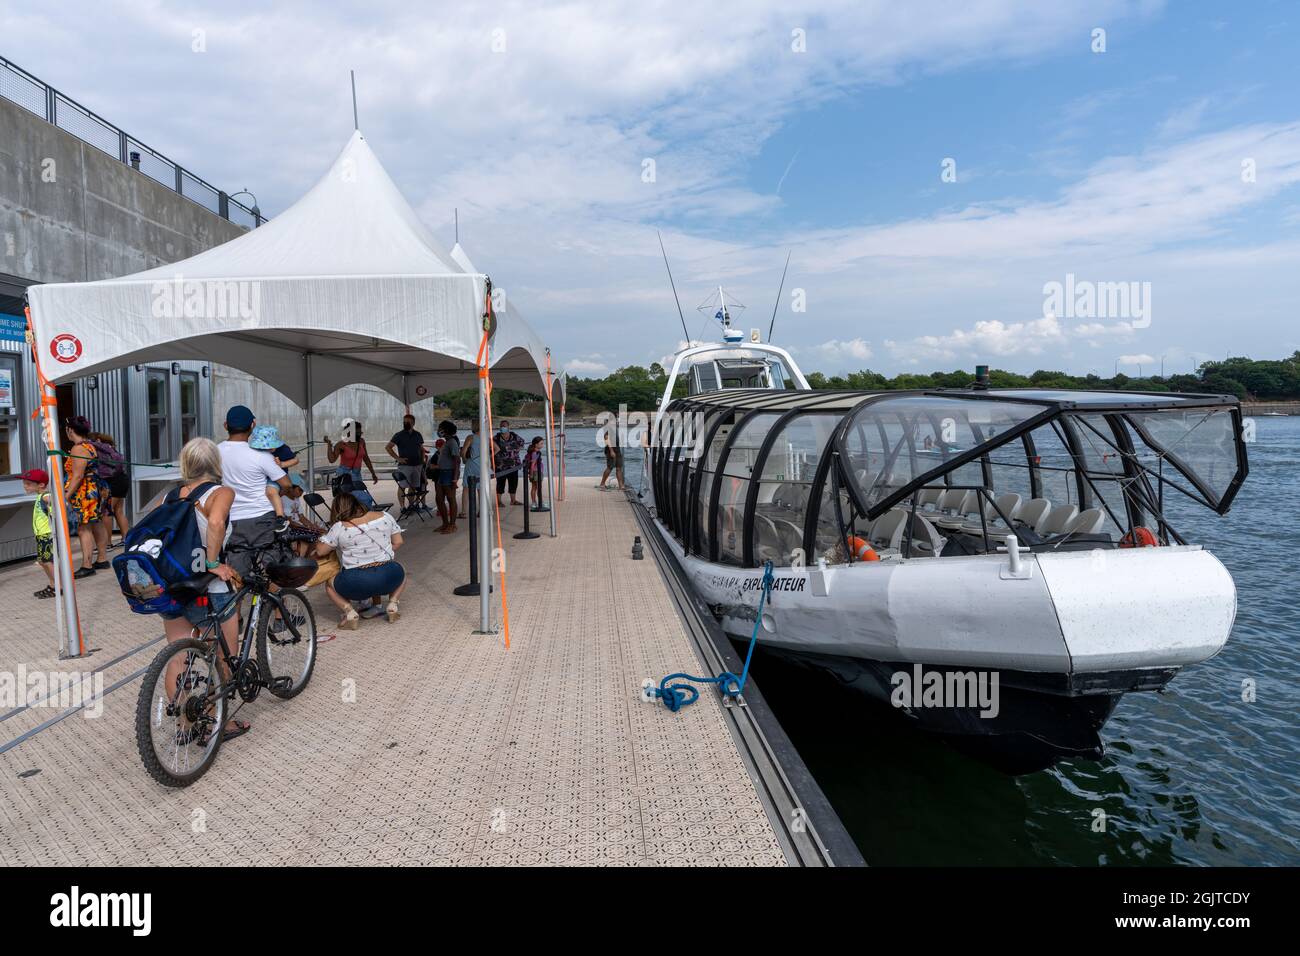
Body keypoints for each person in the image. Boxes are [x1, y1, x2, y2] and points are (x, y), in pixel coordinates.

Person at [161, 437, 248, 741]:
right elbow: (215, 522)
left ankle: (185, 724)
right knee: (224, 655)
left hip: (176, 585)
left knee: (177, 655)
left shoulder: (171, 497)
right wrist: (213, 563)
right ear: (215, 463)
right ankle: (216, 721)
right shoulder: (220, 492)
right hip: (210, 588)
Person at [217, 405, 292, 578]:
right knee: (271, 571)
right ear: (253, 425)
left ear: (225, 425)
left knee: (236, 575)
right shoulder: (261, 455)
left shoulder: (214, 452)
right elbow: (287, 484)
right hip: (263, 519)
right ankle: (272, 605)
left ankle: (236, 604)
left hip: (232, 520)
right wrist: (275, 493)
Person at [315, 491, 406, 630]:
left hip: (356, 582)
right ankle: (392, 604)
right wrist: (380, 555)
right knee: (402, 571)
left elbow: (321, 551)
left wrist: (321, 537)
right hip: (388, 575)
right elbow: (398, 542)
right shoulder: (385, 516)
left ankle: (350, 612)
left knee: (329, 584)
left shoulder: (339, 527)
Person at [63, 416, 111, 577]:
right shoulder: (90, 445)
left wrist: (66, 496)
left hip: (86, 491)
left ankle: (87, 565)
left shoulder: (78, 449)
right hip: (97, 488)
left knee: (84, 528)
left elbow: (77, 476)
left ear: (70, 430)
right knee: (96, 523)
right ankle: (102, 558)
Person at [326, 418, 379, 508]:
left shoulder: (361, 442)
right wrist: (328, 446)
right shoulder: (341, 444)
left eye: (360, 432)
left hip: (357, 473)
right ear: (349, 432)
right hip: (344, 473)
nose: (359, 434)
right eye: (357, 432)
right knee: (351, 498)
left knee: (358, 496)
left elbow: (366, 458)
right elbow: (332, 459)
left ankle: (360, 514)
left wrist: (373, 473)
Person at [89, 431, 130, 542]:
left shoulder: (99, 448)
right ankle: (126, 538)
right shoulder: (110, 448)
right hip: (122, 479)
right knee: (118, 511)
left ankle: (107, 542)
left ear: (97, 440)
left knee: (106, 512)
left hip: (113, 482)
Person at [21, 468, 56, 599]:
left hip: (47, 535)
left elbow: (53, 500)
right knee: (43, 561)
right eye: (25, 483)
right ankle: (53, 584)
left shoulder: (45, 496)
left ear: (41, 484)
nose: (25, 486)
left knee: (47, 561)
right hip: (41, 535)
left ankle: (58, 586)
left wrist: (53, 500)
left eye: (28, 484)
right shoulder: (39, 496)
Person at [386, 414, 426, 511]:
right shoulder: (399, 435)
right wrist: (398, 458)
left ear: (413, 423)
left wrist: (422, 461)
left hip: (417, 465)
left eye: (408, 422)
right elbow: (388, 447)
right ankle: (402, 507)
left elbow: (421, 449)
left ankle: (411, 505)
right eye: (404, 421)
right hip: (405, 466)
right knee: (402, 486)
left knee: (413, 486)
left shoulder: (418, 434)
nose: (405, 423)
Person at [433, 420, 460, 533]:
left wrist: (455, 478)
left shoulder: (452, 442)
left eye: (441, 428)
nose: (439, 431)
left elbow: (457, 461)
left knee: (450, 498)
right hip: (442, 473)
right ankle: (445, 523)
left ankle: (452, 524)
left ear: (446, 430)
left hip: (449, 473)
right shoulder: (447, 442)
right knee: (439, 498)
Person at [493, 419, 525, 507]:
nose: (503, 427)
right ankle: (499, 501)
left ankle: (513, 500)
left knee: (513, 483)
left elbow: (522, 443)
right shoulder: (496, 438)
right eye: (501, 426)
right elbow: (491, 449)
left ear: (508, 427)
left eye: (504, 426)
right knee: (500, 483)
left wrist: (516, 448)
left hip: (513, 465)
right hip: (500, 465)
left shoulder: (514, 436)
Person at [459, 419, 481, 519]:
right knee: (480, 489)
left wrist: (464, 459)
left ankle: (464, 512)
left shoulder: (470, 437)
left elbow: (463, 452)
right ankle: (481, 510)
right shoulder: (487, 438)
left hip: (471, 464)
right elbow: (496, 449)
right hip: (482, 465)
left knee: (466, 488)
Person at [524, 436, 545, 508]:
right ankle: (540, 502)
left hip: (534, 472)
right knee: (538, 488)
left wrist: (530, 473)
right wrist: (531, 474)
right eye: (541, 443)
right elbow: (533, 464)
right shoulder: (536, 453)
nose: (542, 445)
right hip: (536, 472)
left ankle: (534, 502)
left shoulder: (532, 451)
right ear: (536, 444)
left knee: (534, 487)